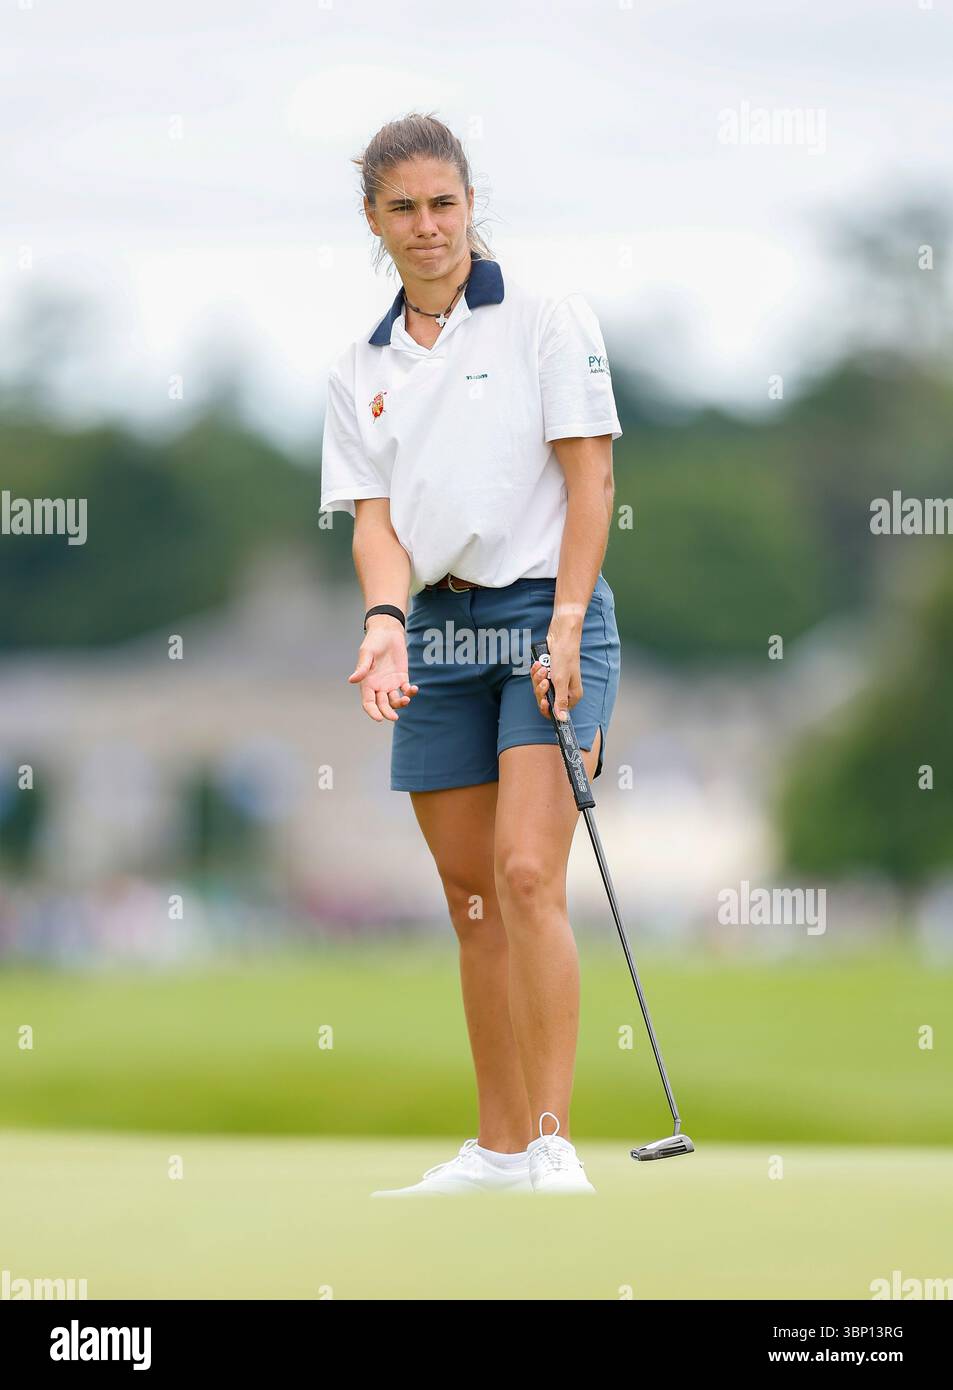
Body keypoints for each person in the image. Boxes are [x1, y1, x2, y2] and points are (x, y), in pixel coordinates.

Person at [320, 112, 622, 1195]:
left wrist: (563, 620)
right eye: (402, 207)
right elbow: (374, 524)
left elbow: (591, 482)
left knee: (529, 873)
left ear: (469, 205)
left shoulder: (543, 316)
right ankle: (496, 1148)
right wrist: (383, 621)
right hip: (438, 633)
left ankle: (550, 1141)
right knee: (472, 898)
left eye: (443, 202)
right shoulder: (362, 362)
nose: (427, 225)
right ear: (373, 221)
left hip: (549, 613)